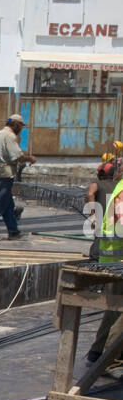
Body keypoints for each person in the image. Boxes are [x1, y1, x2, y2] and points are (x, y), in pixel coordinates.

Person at [83, 156, 123, 363]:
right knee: (116, 312)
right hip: (117, 260)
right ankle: (109, 358)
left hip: (112, 257)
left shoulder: (117, 186)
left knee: (114, 310)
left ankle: (99, 352)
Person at [0, 114, 35, 239]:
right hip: (5, 172)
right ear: (15, 125)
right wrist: (30, 158)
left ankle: (13, 231)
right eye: (20, 126)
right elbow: (17, 156)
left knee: (7, 203)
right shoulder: (10, 136)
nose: (21, 129)